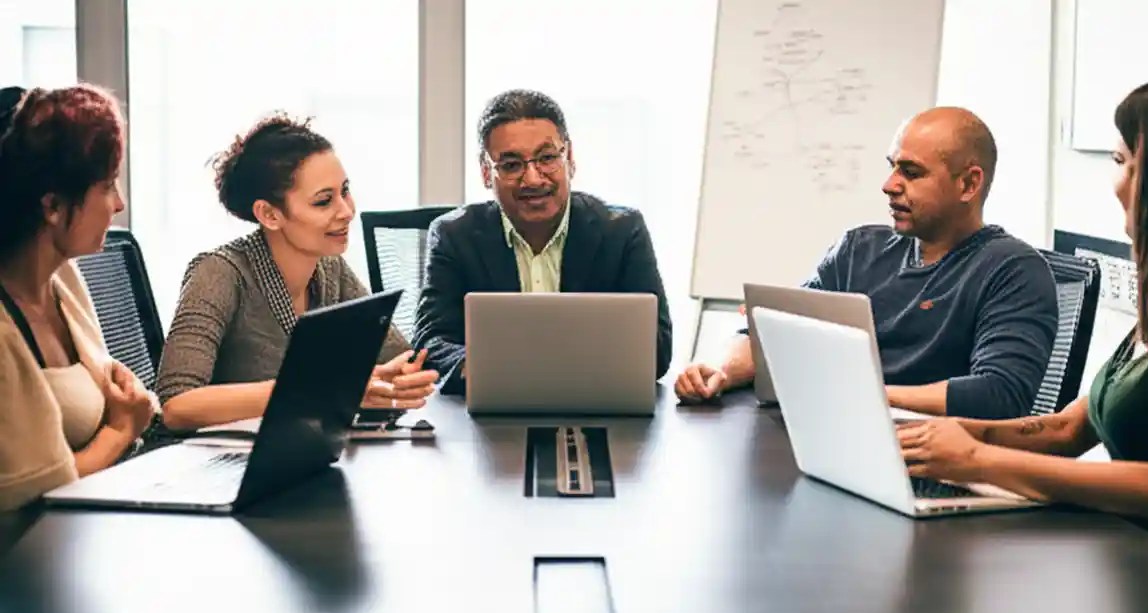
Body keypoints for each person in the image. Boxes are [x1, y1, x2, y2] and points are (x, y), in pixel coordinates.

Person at [897, 76, 1148, 591]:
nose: (1114, 181)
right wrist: (935, 437)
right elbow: (1067, 430)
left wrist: (977, 459)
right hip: (1144, 574)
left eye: (1122, 162)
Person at [676, 107, 1059, 420]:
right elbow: (775, 335)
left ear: (968, 185)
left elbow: (999, 395)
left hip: (927, 462)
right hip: (838, 439)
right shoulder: (859, 248)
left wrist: (862, 396)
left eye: (910, 172)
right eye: (892, 166)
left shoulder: (1013, 270)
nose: (889, 184)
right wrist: (722, 371)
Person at [156, 113, 436, 430]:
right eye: (323, 201)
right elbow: (175, 406)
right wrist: (325, 390)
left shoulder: (329, 269)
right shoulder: (219, 273)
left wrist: (399, 377)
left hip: (299, 454)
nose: (346, 211)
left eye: (345, 191)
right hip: (217, 466)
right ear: (269, 214)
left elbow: (399, 357)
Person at [414, 89, 673, 394]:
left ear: (570, 159)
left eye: (547, 158)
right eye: (511, 165)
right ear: (486, 172)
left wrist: (544, 367)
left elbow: (657, 348)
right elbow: (430, 344)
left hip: (595, 405)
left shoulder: (621, 230)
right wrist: (489, 369)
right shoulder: (454, 236)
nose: (533, 179)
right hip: (494, 411)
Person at [0, 84, 155, 510]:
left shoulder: (62, 277)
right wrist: (121, 432)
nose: (119, 203)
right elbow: (34, 502)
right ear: (52, 206)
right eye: (106, 186)